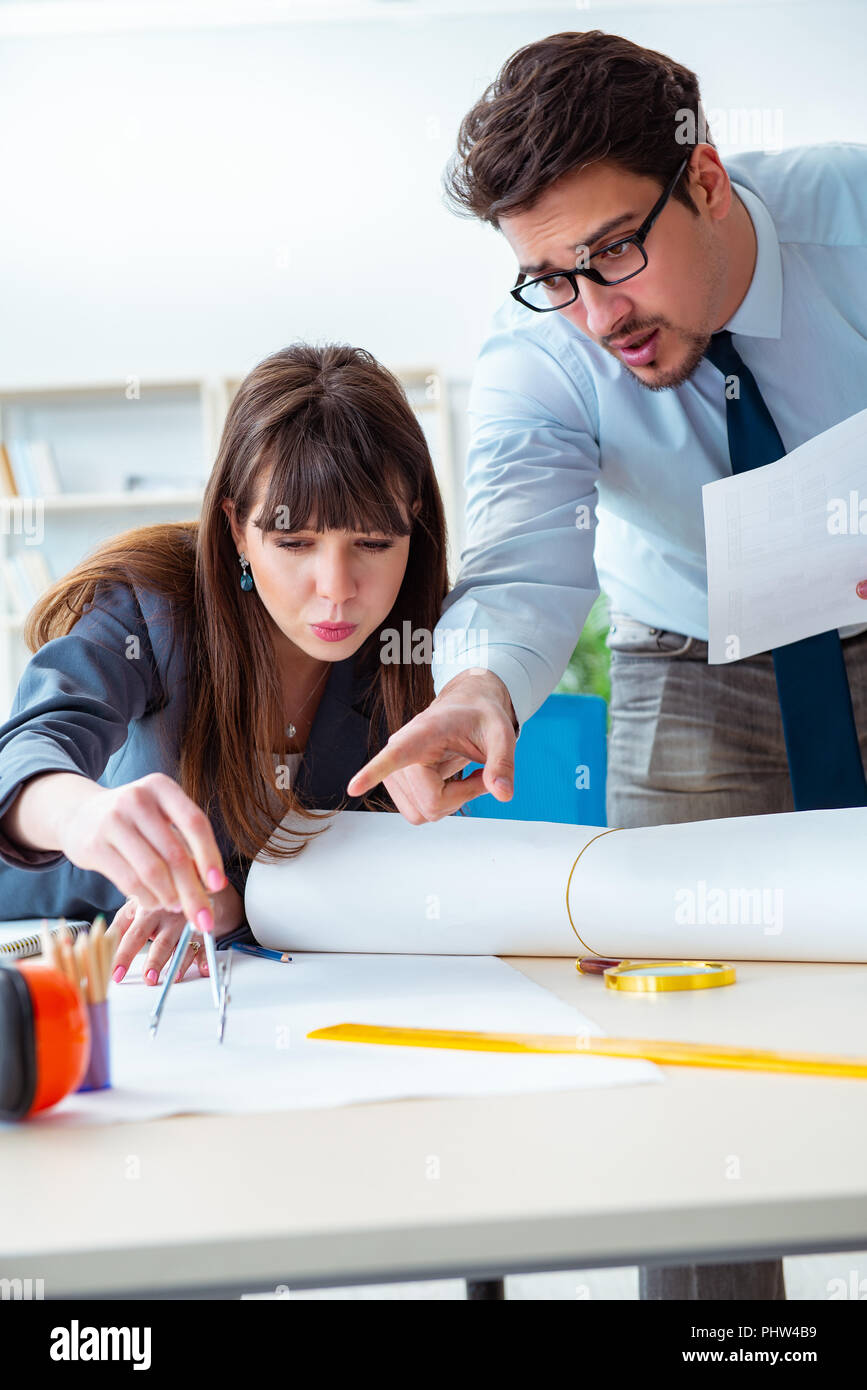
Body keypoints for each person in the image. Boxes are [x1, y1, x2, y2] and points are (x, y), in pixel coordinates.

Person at [347, 31, 867, 1299]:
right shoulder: (541, 355)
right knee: (687, 1043)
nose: (597, 313)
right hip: (691, 663)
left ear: (705, 179)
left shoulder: (854, 218)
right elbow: (526, 557)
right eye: (551, 277)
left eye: (612, 255)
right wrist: (476, 685)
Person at [0, 342, 448, 988]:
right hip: (52, 927)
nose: (336, 588)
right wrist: (81, 816)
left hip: (240, 963)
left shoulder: (417, 642)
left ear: (414, 525)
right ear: (236, 527)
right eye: (294, 542)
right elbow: (29, 746)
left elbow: (405, 867)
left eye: (373, 543)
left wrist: (237, 905)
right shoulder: (151, 604)